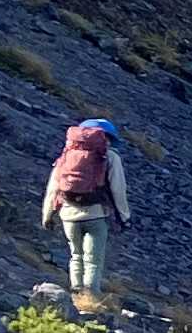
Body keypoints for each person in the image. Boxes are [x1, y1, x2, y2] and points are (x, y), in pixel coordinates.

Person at [37, 118, 131, 300]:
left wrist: (47, 215)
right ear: (107, 137)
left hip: (68, 215)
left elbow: (53, 187)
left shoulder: (66, 155)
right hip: (96, 214)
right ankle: (91, 297)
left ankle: (75, 293)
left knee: (76, 256)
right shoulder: (110, 156)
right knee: (93, 261)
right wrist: (124, 217)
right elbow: (118, 189)